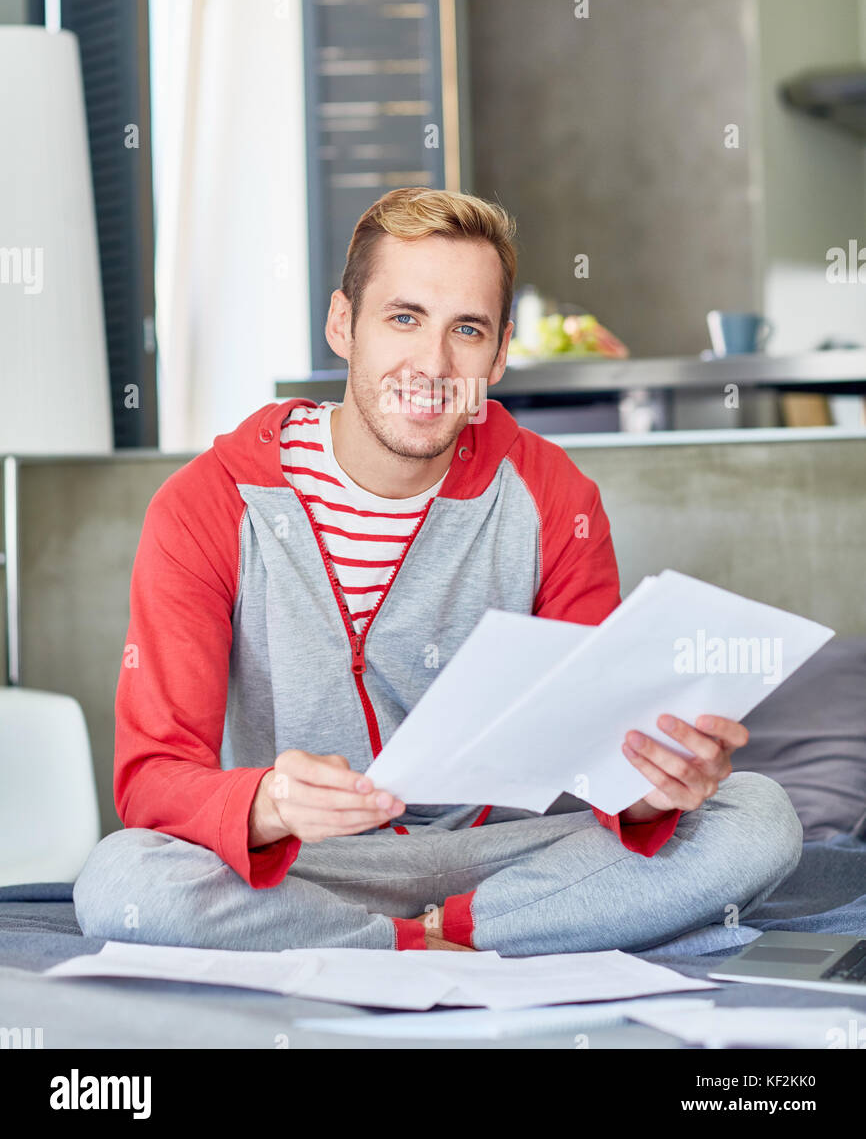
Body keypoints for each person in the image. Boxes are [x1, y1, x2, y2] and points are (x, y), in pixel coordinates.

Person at [74, 188, 802, 954]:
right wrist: (269, 803)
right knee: (122, 878)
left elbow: (598, 746)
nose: (433, 363)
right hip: (306, 863)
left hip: (503, 862)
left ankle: (436, 932)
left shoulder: (555, 497)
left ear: (499, 352)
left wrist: (653, 795)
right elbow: (155, 775)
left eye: (467, 329)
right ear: (341, 324)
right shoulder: (206, 504)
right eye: (403, 317)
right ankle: (421, 941)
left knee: (756, 817)